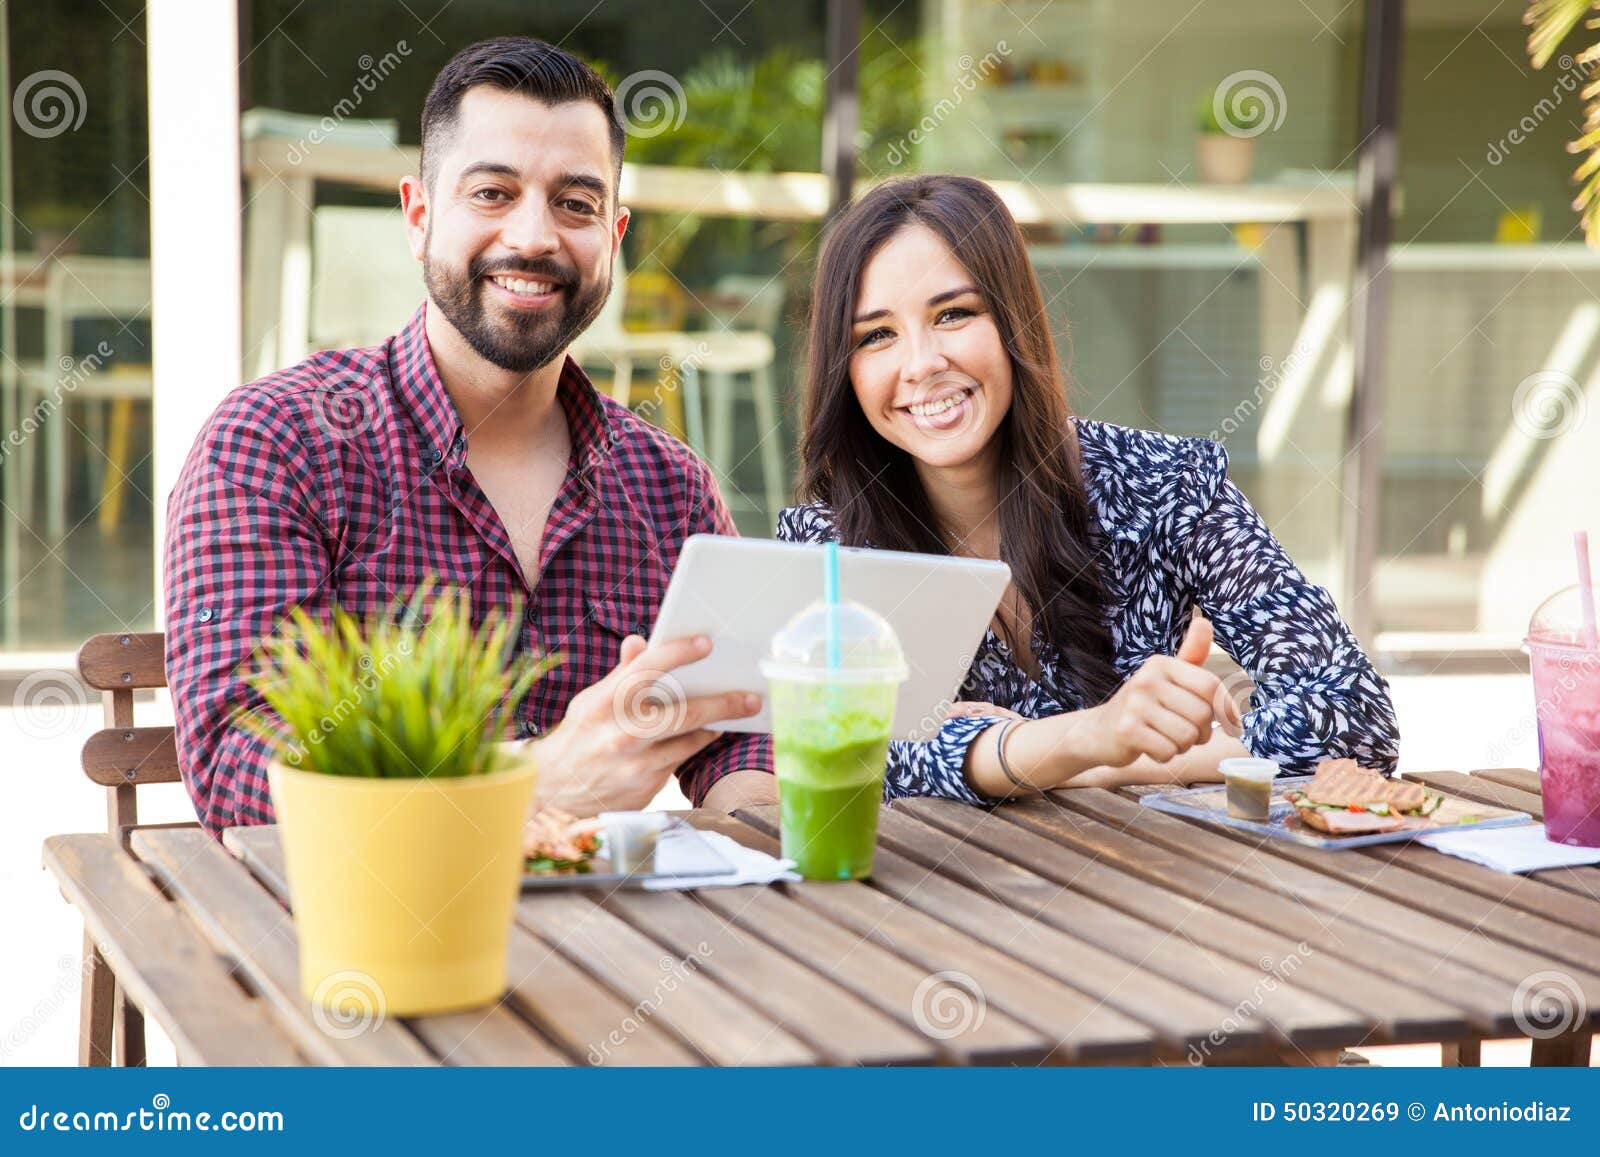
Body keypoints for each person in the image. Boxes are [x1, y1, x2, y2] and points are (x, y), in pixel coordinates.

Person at [164, 37, 771, 835]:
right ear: (419, 217)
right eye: (492, 192)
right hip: (355, 939)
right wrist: (533, 780)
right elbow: (240, 773)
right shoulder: (276, 443)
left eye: (576, 203)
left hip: (615, 941)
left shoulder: (668, 485)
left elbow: (735, 732)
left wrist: (760, 815)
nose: (534, 237)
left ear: (614, 237)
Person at [773, 173, 1399, 804]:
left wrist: (1095, 759)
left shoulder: (1162, 486)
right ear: (843, 368)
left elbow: (1355, 720)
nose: (922, 363)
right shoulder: (827, 550)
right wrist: (1096, 737)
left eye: (954, 314)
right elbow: (852, 758)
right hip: (930, 894)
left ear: (1013, 321)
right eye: (876, 335)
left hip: (1146, 883)